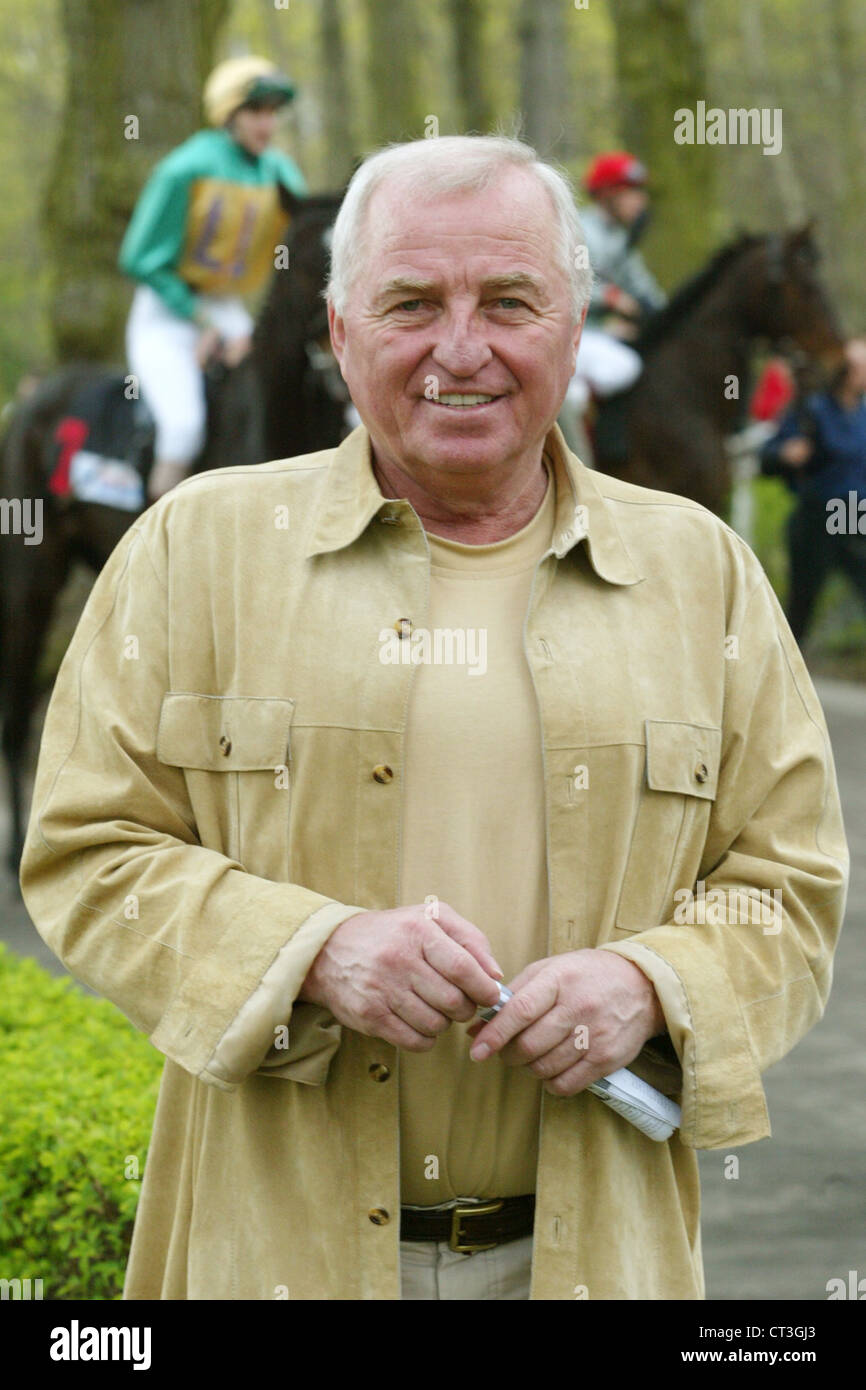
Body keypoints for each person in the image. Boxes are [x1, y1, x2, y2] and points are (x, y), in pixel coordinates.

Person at [20, 135, 847, 1302]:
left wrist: (652, 983)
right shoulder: (191, 549)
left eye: (509, 301)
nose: (462, 348)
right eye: (410, 302)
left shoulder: (699, 573)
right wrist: (310, 952)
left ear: (571, 326)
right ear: (341, 331)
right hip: (273, 1260)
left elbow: (791, 885)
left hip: (597, 1266)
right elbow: (86, 853)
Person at [118, 55, 307, 501]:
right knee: (183, 428)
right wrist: (204, 322)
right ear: (229, 114)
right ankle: (153, 534)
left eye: (273, 113)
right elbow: (138, 258)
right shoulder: (184, 169)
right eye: (256, 111)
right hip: (167, 313)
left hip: (227, 309)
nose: (268, 124)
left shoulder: (279, 172)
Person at [760, 337, 866, 645]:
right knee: (801, 606)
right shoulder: (813, 410)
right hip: (817, 518)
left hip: (855, 518)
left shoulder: (862, 414)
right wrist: (785, 454)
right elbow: (767, 457)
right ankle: (781, 677)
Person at [566, 151, 667, 435]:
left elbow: (643, 287)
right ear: (607, 194)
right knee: (624, 368)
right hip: (575, 336)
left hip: (602, 334)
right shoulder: (581, 228)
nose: (641, 200)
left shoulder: (619, 238)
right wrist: (612, 299)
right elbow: (570, 282)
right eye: (632, 191)